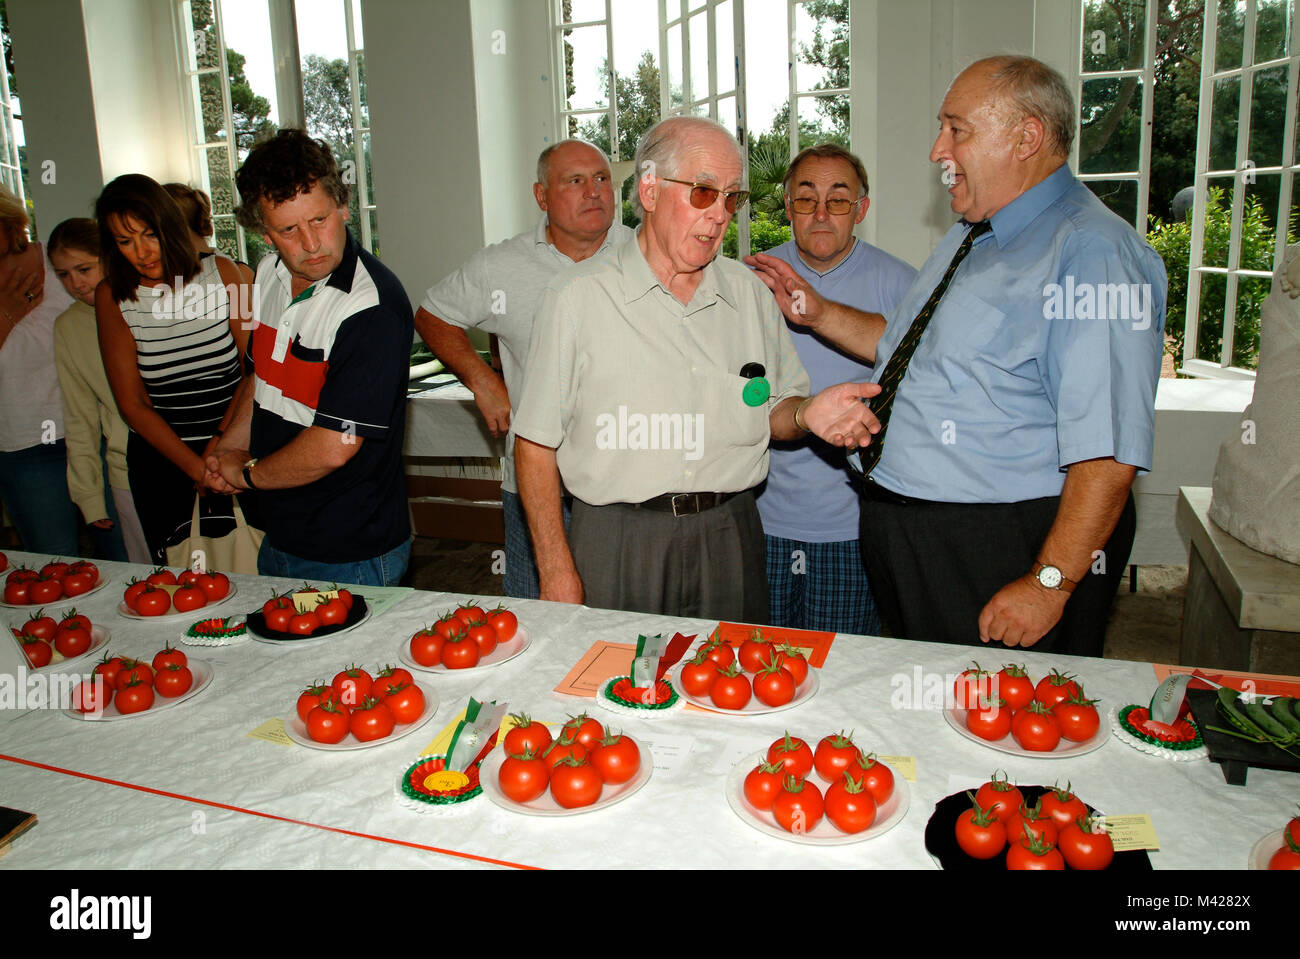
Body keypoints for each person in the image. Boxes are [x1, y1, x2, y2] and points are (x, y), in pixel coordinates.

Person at [795, 56, 1165, 655]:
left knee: (1004, 721)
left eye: (956, 128)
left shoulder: (1094, 254)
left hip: (1000, 543)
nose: (938, 149)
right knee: (938, 711)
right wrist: (818, 312)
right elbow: (913, 354)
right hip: (921, 539)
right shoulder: (977, 232)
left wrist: (1049, 584)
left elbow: (1109, 449)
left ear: (1027, 138)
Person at [513, 116, 882, 621]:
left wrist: (805, 414)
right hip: (618, 540)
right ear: (648, 189)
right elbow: (534, 445)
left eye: (733, 198)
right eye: (703, 192)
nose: (721, 215)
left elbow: (772, 406)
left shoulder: (750, 294)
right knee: (611, 684)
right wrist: (555, 570)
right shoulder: (577, 297)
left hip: (730, 535)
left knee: (731, 690)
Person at [415, 138, 634, 599]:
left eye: (602, 180)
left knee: (624, 616)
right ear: (542, 196)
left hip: (627, 485)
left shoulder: (645, 257)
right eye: (575, 181)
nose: (593, 192)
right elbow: (432, 314)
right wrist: (482, 379)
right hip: (537, 488)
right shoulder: (502, 265)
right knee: (541, 617)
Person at [205, 129, 413, 586]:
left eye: (319, 220)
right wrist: (229, 447)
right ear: (264, 233)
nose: (312, 243)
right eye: (289, 230)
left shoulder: (371, 306)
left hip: (348, 547)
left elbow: (334, 447)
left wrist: (249, 473)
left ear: (342, 206)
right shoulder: (267, 272)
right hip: (277, 529)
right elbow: (262, 379)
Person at [746, 144, 917, 635]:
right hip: (760, 521)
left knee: (841, 673)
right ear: (787, 207)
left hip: (854, 528)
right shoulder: (751, 280)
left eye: (838, 200)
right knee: (756, 667)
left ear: (860, 209)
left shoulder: (903, 284)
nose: (821, 213)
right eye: (806, 199)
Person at [95, 174, 251, 563]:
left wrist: (220, 446)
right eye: (124, 241)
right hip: (164, 463)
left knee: (258, 569)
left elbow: (255, 370)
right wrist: (196, 468)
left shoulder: (225, 274)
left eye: (149, 234)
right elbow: (132, 404)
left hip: (237, 443)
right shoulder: (112, 296)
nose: (141, 252)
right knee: (181, 582)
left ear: (169, 225)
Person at [48, 218, 149, 562]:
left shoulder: (151, 299)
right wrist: (90, 496)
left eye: (83, 268)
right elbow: (79, 418)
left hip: (191, 461)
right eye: (63, 274)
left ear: (109, 256)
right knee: (150, 575)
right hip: (125, 471)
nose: (75, 283)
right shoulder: (67, 327)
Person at [0, 185, 77, 555]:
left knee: (129, 560)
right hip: (25, 446)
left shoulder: (59, 256)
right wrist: (9, 314)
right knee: (56, 563)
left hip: (96, 435)